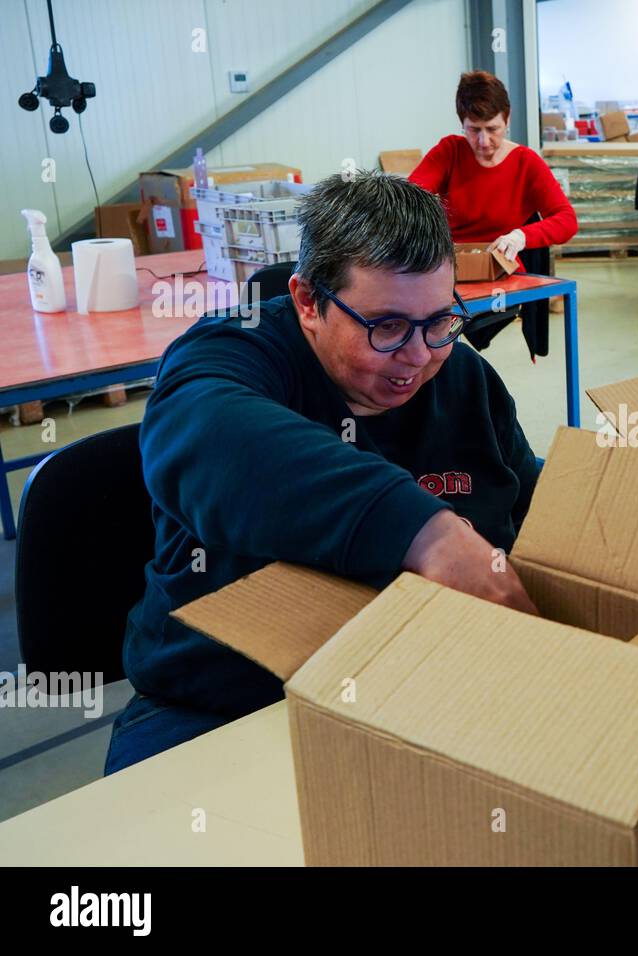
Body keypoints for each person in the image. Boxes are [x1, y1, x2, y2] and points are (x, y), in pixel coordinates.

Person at [105, 172, 539, 773]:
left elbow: (524, 495)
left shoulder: (459, 375)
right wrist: (428, 534)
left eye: (440, 319)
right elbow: (210, 435)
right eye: (386, 326)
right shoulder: (234, 355)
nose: (418, 355)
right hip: (222, 702)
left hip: (414, 684)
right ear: (309, 302)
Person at [409, 71, 577, 354]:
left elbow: (566, 220)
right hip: (448, 270)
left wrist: (522, 236)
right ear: (462, 123)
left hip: (500, 274)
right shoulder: (449, 151)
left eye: (493, 129)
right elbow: (409, 200)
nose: (484, 141)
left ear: (507, 120)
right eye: (474, 129)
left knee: (442, 344)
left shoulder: (526, 164)